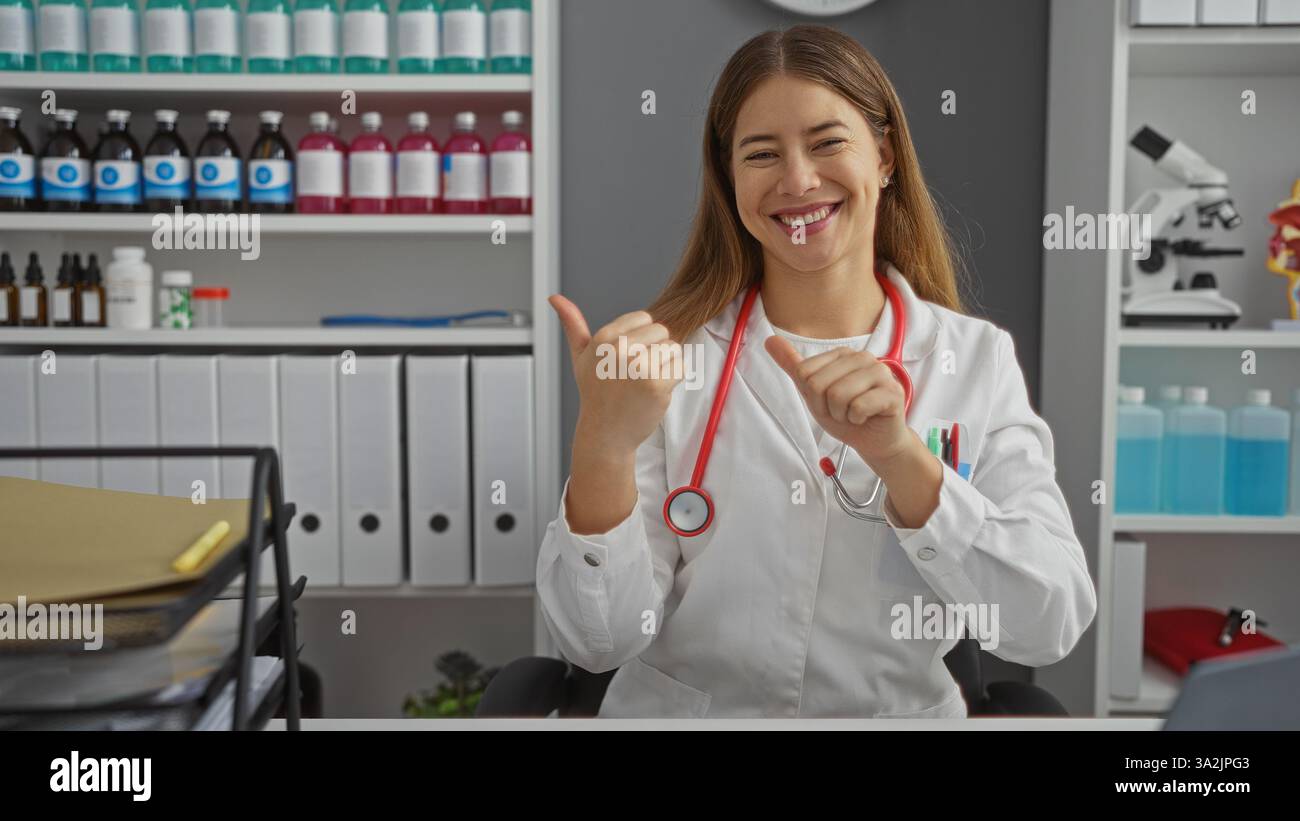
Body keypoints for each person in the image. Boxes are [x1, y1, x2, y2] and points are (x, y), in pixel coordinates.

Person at [539, 25, 1097, 718]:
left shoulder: (972, 360)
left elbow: (1049, 622)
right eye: (762, 154)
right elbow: (598, 641)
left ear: (886, 155)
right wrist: (603, 443)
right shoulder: (664, 363)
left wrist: (903, 462)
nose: (798, 180)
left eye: (828, 142)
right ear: (731, 179)